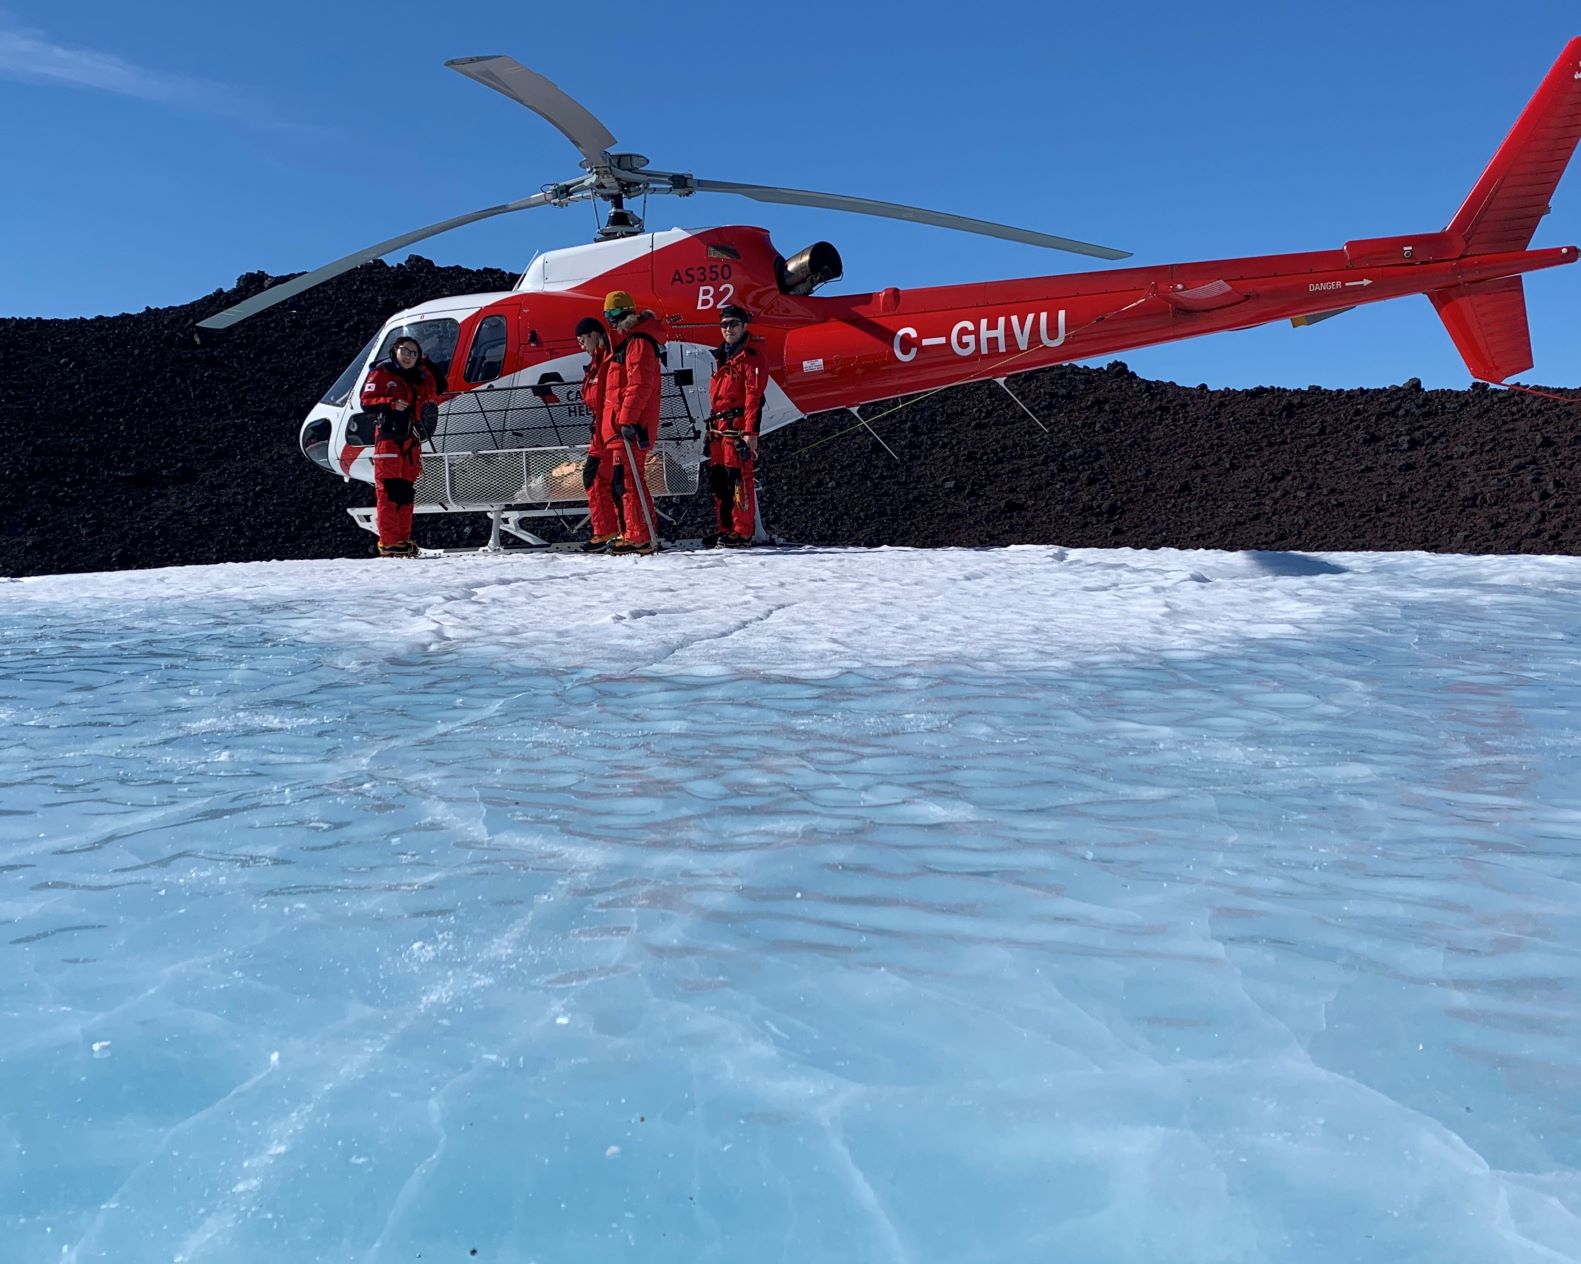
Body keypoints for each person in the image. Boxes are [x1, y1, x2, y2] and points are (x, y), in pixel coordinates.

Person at [360, 336, 445, 557]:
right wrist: (390, 404)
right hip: (389, 439)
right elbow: (366, 401)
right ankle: (389, 542)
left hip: (410, 442)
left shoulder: (415, 379)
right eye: (405, 351)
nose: (409, 357)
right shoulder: (382, 373)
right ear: (394, 351)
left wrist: (428, 363)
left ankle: (402, 539)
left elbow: (439, 387)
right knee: (389, 491)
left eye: (414, 353)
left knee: (406, 493)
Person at [600, 289, 667, 555]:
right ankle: (640, 531)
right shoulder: (629, 342)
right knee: (628, 479)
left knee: (627, 480)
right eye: (607, 314)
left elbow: (640, 385)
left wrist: (626, 420)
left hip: (630, 427)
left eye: (614, 313)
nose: (611, 319)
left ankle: (638, 535)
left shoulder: (637, 342)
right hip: (624, 427)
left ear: (627, 312)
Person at [705, 304, 767, 546]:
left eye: (733, 324)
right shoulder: (723, 357)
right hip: (719, 427)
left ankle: (743, 531)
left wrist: (751, 432)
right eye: (724, 324)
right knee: (720, 480)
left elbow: (754, 396)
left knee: (739, 478)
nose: (728, 329)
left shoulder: (751, 358)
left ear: (744, 326)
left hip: (737, 427)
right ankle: (727, 527)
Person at [575, 315, 621, 552]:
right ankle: (611, 529)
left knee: (597, 478)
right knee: (604, 480)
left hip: (607, 431)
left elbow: (608, 396)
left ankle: (607, 531)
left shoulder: (606, 359)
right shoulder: (597, 360)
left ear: (594, 335)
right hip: (601, 430)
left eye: (582, 340)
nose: (581, 346)